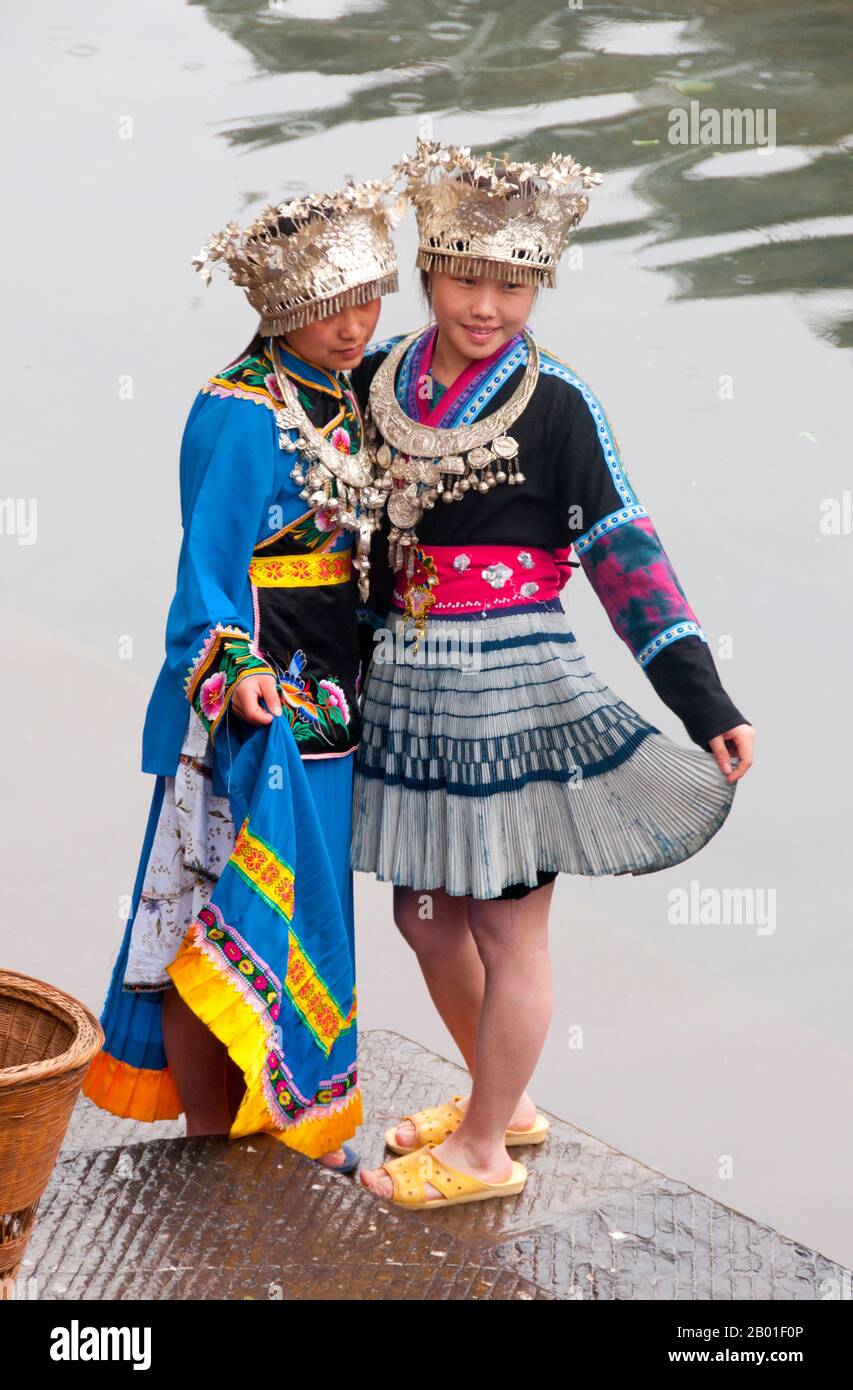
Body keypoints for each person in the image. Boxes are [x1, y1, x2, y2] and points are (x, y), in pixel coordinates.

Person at [348, 138, 755, 1209]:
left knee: (505, 922)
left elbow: (624, 553)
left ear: (540, 283)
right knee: (421, 914)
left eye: (514, 284)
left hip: (513, 688)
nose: (487, 304)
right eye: (468, 277)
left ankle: (483, 1149)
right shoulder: (375, 375)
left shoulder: (558, 404)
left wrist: (701, 698)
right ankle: (504, 1098)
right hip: (407, 683)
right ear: (429, 268)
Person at [82, 178, 401, 1170]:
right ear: (276, 308)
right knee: (209, 917)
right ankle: (213, 1132)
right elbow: (207, 574)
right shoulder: (238, 410)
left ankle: (283, 1109)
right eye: (325, 306)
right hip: (249, 708)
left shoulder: (352, 390)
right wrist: (232, 674)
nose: (354, 324)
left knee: (306, 912)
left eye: (368, 297)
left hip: (332, 704)